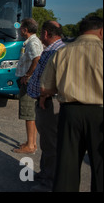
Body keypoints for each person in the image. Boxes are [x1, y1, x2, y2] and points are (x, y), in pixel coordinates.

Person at [40, 16, 103, 192]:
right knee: (100, 165)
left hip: (70, 113)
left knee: (66, 165)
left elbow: (45, 87)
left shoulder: (63, 52)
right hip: (100, 114)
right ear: (101, 31)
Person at [27, 21, 65, 191]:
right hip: (44, 101)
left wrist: (44, 95)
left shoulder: (56, 51)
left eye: (42, 33)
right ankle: (45, 173)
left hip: (48, 103)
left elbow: (56, 79)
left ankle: (49, 181)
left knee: (51, 144)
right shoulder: (52, 49)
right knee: (47, 142)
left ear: (46, 34)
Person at [12, 18, 43, 154]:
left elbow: (37, 58)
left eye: (21, 27)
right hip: (30, 81)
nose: (19, 29)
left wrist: (27, 75)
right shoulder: (31, 42)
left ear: (25, 29)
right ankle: (32, 142)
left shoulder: (33, 43)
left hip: (29, 82)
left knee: (28, 113)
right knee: (31, 114)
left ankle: (30, 146)